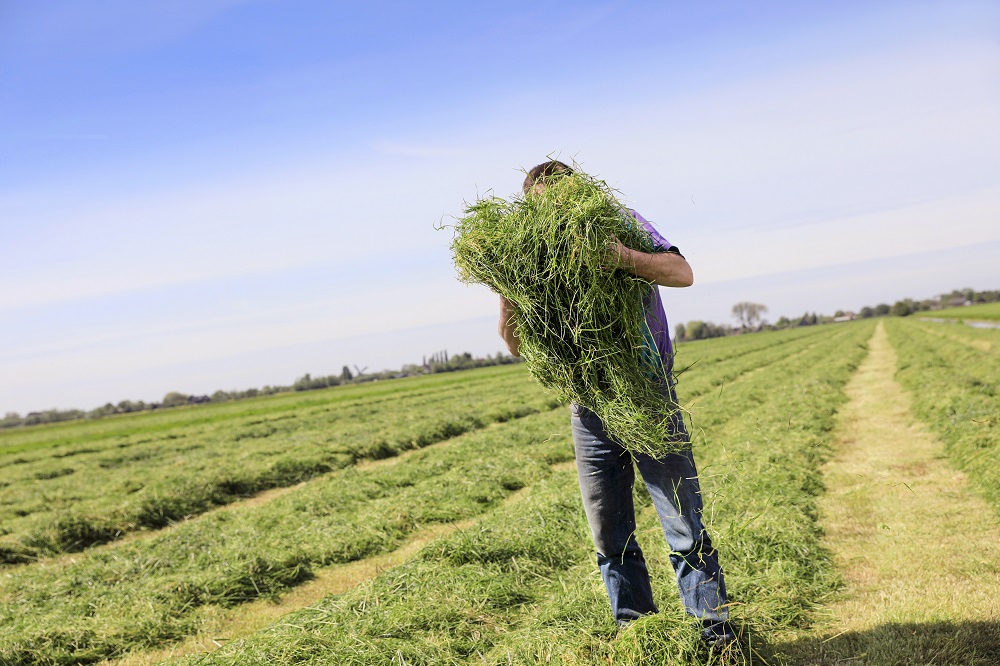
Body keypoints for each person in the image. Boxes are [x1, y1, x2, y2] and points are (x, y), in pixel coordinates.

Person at [497, 160, 735, 648]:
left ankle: (717, 640)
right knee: (609, 537)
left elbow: (681, 272)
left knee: (682, 525)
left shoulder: (617, 221)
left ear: (580, 193)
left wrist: (618, 256)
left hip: (646, 394)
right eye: (543, 204)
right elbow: (517, 345)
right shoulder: (532, 255)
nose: (557, 210)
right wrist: (509, 290)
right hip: (588, 405)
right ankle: (640, 638)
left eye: (564, 197)